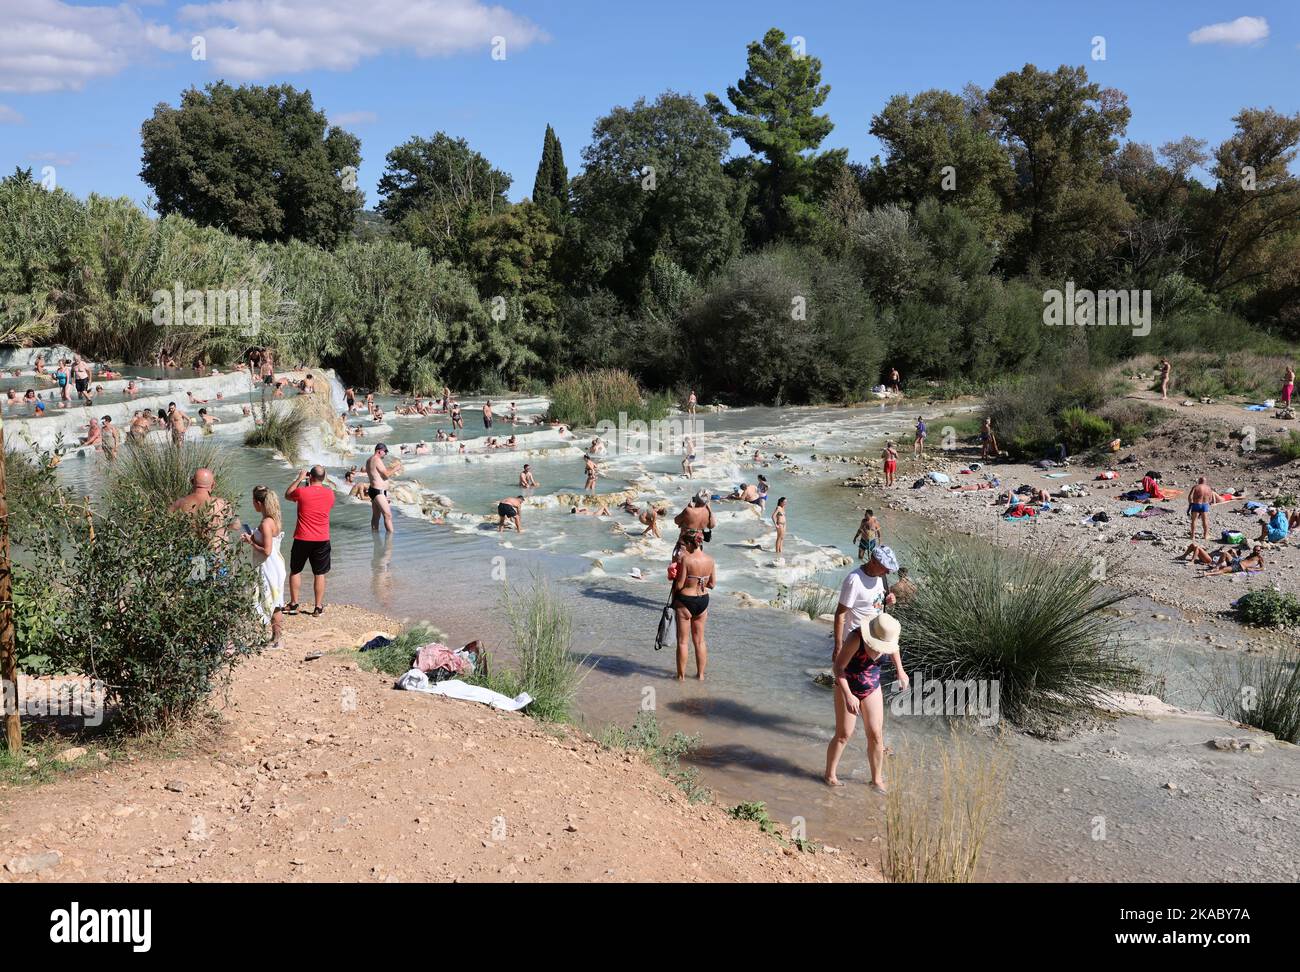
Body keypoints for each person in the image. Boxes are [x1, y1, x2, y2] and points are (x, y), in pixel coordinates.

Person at [825, 545, 903, 789]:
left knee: (876, 733)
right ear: (873, 560)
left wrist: (891, 599)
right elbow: (840, 614)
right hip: (854, 646)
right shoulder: (854, 580)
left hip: (875, 651)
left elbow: (884, 612)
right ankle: (829, 776)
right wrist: (838, 645)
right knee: (844, 734)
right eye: (885, 567)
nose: (887, 571)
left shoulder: (882, 578)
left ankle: (876, 780)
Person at [285, 466, 335, 617]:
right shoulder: (330, 494)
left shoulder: (302, 492)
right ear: (323, 478)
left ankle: (294, 604)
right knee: (319, 573)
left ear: (310, 477)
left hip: (302, 537)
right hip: (322, 538)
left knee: (296, 570)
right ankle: (318, 607)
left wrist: (299, 478)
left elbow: (288, 495)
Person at [241, 485, 287, 649]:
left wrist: (250, 541)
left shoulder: (266, 523)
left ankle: (278, 639)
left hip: (269, 566)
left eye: (253, 501)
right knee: (274, 600)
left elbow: (267, 550)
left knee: (272, 601)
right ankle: (275, 637)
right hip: (274, 565)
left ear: (258, 503)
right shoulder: (273, 520)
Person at [670, 529, 715, 680]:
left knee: (683, 642)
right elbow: (712, 584)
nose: (684, 548)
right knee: (700, 641)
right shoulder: (710, 560)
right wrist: (700, 580)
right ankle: (700, 676)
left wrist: (673, 578)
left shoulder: (686, 560)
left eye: (684, 545)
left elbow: (680, 586)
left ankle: (681, 677)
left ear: (690, 544)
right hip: (703, 600)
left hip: (686, 601)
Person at [168, 467, 232, 545]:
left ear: (192, 482)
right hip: (215, 554)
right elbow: (236, 526)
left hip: (189, 553)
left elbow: (166, 525)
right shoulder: (222, 504)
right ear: (213, 485)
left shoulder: (178, 503)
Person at [366, 443, 394, 534]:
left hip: (374, 490)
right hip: (378, 491)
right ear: (379, 451)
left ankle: (375, 537)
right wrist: (396, 468)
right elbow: (386, 475)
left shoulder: (369, 460)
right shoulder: (377, 459)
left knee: (376, 516)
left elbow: (378, 475)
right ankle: (390, 540)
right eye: (385, 451)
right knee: (388, 515)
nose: (386, 453)